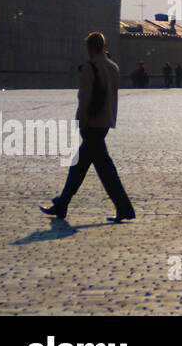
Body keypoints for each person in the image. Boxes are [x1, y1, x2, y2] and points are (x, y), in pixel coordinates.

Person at [40, 31, 135, 223]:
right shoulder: (113, 67)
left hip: (91, 122)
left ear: (90, 48)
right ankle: (63, 204)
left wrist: (81, 122)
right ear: (104, 46)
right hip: (106, 121)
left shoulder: (89, 68)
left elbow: (85, 98)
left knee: (97, 168)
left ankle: (123, 207)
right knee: (83, 166)